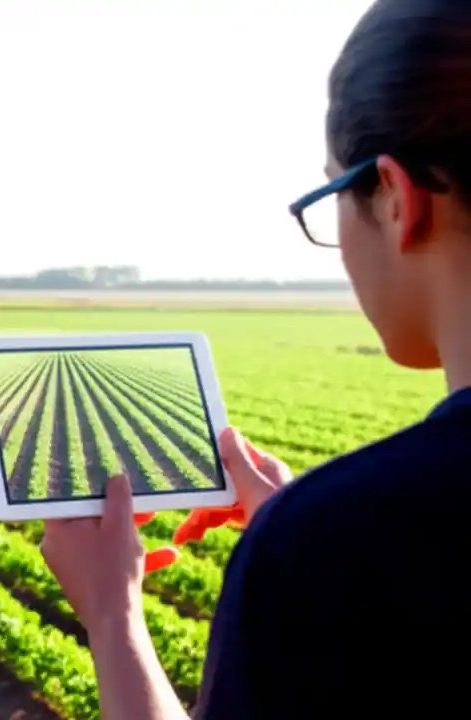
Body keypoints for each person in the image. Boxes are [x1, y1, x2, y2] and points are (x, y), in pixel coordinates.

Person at [39, 1, 471, 717]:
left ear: (395, 196)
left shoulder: (335, 547)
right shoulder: (343, 537)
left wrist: (112, 620)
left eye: (330, 190)